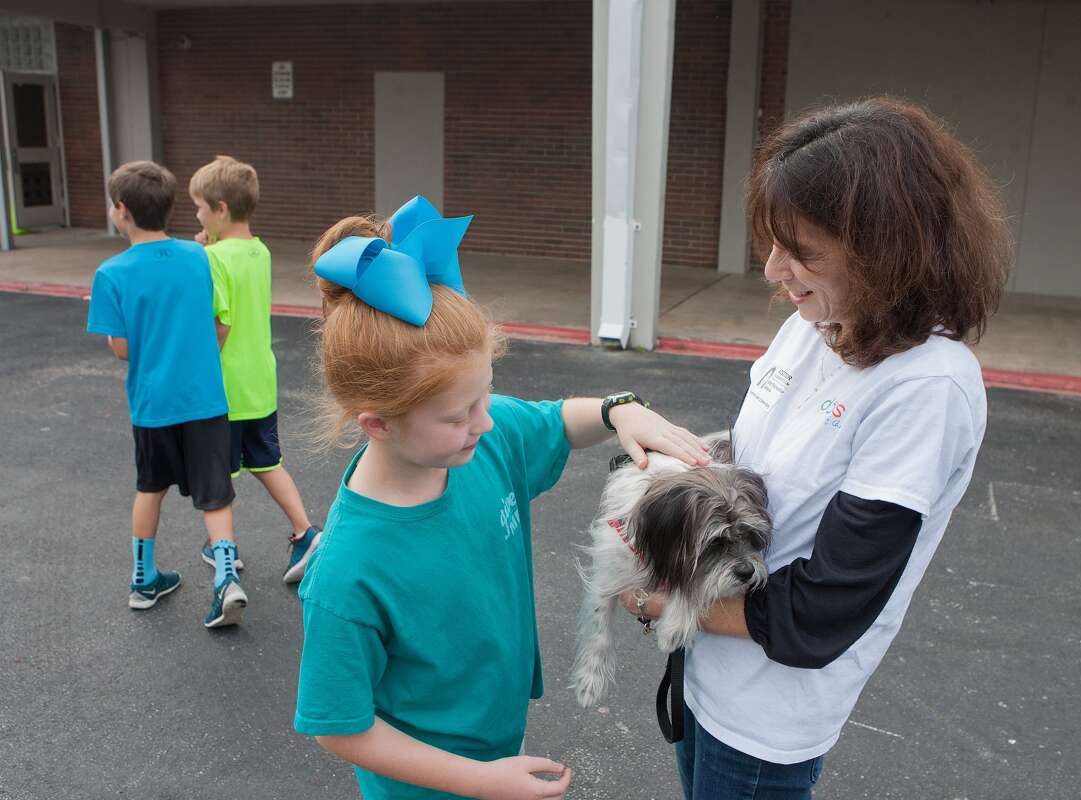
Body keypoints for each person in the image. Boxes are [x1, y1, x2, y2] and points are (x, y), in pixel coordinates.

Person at [623, 97, 1011, 798]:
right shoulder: (814, 325)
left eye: (800, 250)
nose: (773, 271)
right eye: (772, 244)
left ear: (885, 250)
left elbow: (821, 613)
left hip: (766, 716)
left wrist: (660, 602)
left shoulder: (926, 387)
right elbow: (747, 469)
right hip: (707, 671)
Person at [292, 198, 710, 800]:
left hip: (495, 745)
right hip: (430, 786)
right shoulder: (347, 572)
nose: (485, 421)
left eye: (485, 395)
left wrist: (620, 410)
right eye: (459, 414)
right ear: (377, 423)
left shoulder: (478, 443)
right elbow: (339, 726)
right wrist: (481, 779)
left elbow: (557, 419)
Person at [86, 160, 248, 629]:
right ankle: (225, 578)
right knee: (215, 494)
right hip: (204, 399)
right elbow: (216, 321)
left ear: (122, 210)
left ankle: (143, 579)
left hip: (153, 404)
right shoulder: (198, 257)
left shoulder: (110, 273)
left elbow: (122, 349)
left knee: (150, 486)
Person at [189, 155, 321, 583]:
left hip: (224, 388)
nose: (197, 216)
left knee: (217, 477)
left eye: (200, 208)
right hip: (259, 382)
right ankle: (305, 532)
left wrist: (194, 370)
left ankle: (222, 550)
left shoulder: (211, 259)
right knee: (267, 462)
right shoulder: (259, 250)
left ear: (220, 208)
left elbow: (221, 325)